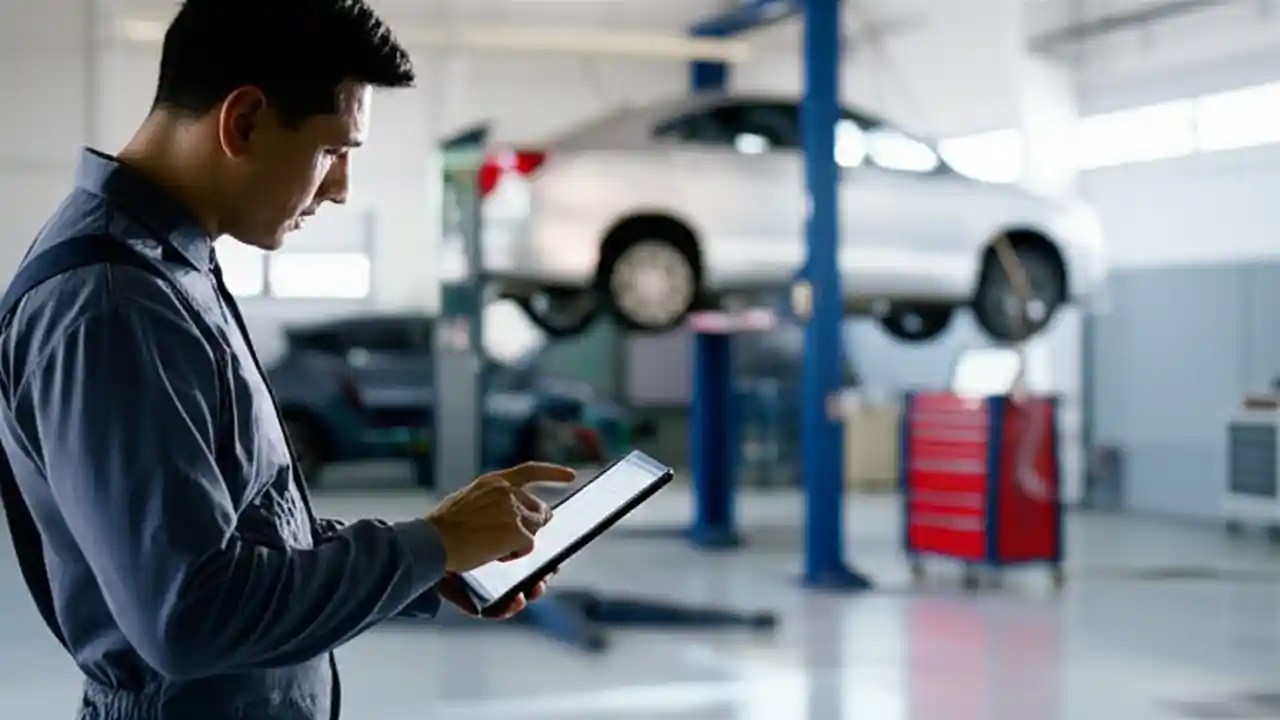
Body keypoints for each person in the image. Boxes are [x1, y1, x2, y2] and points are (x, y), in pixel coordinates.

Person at [0, 1, 574, 718]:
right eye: (334, 151)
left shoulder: (172, 267)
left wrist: (430, 562)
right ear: (242, 121)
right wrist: (427, 548)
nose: (340, 189)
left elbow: (248, 534)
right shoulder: (112, 305)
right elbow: (190, 614)